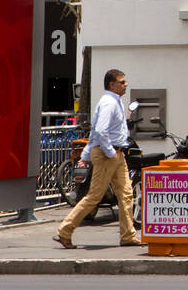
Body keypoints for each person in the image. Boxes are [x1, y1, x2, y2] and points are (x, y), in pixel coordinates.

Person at [54, 69, 142, 248]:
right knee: (94, 196)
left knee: (126, 194)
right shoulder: (109, 103)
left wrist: (87, 155)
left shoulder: (114, 101)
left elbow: (95, 132)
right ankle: (65, 230)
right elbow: (100, 131)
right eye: (122, 82)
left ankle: (128, 235)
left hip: (115, 153)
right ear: (112, 84)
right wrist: (109, 152)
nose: (125, 85)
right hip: (107, 154)